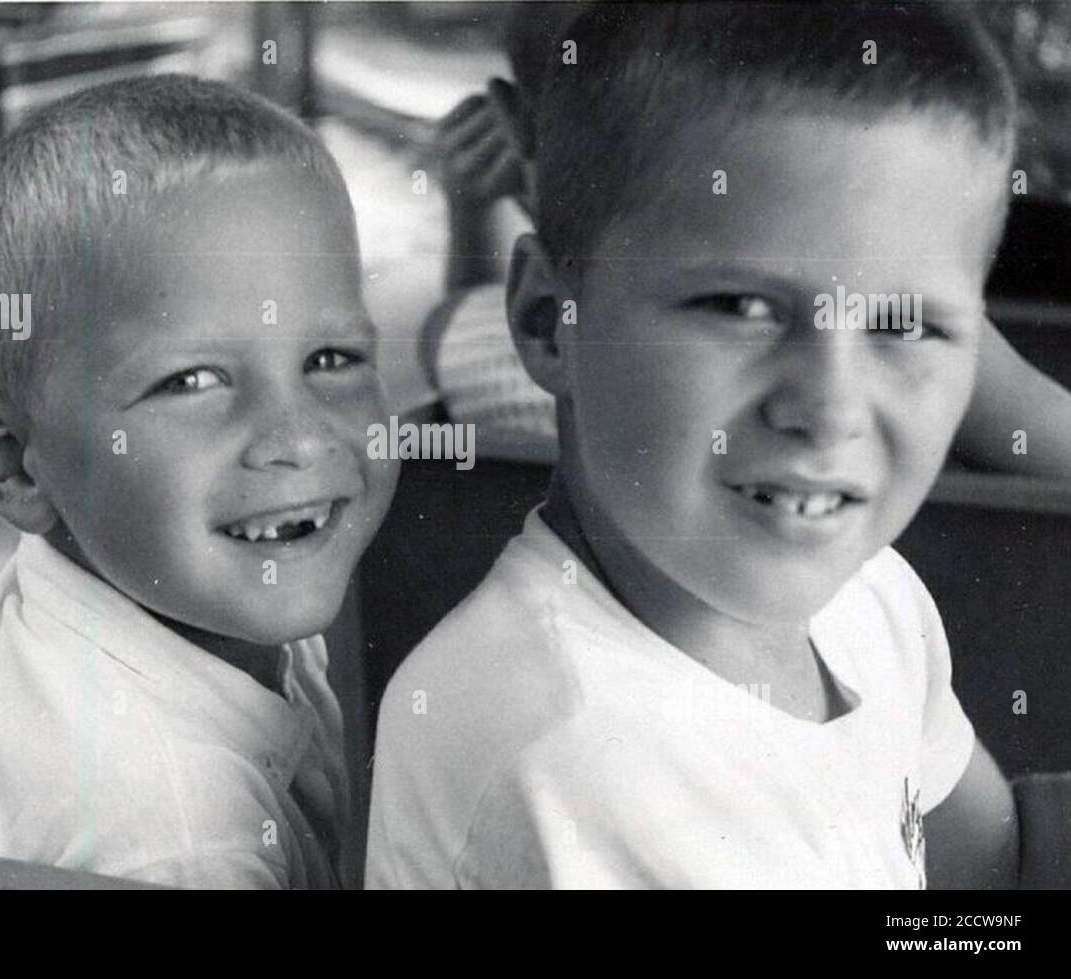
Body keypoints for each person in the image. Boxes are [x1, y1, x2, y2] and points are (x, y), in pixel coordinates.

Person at [368, 1, 1050, 888]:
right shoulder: (577, 759)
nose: (830, 408)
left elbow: (991, 867)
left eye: (905, 323)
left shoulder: (864, 591)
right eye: (741, 307)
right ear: (547, 321)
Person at [0, 75, 399, 888]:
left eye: (332, 359)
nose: (298, 439)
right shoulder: (178, 847)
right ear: (13, 461)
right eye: (191, 381)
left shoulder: (193, 580)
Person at [429, 0, 1071, 478]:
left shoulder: (487, 334)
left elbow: (485, 327)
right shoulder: (910, 320)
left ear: (511, 124)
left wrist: (477, 209)